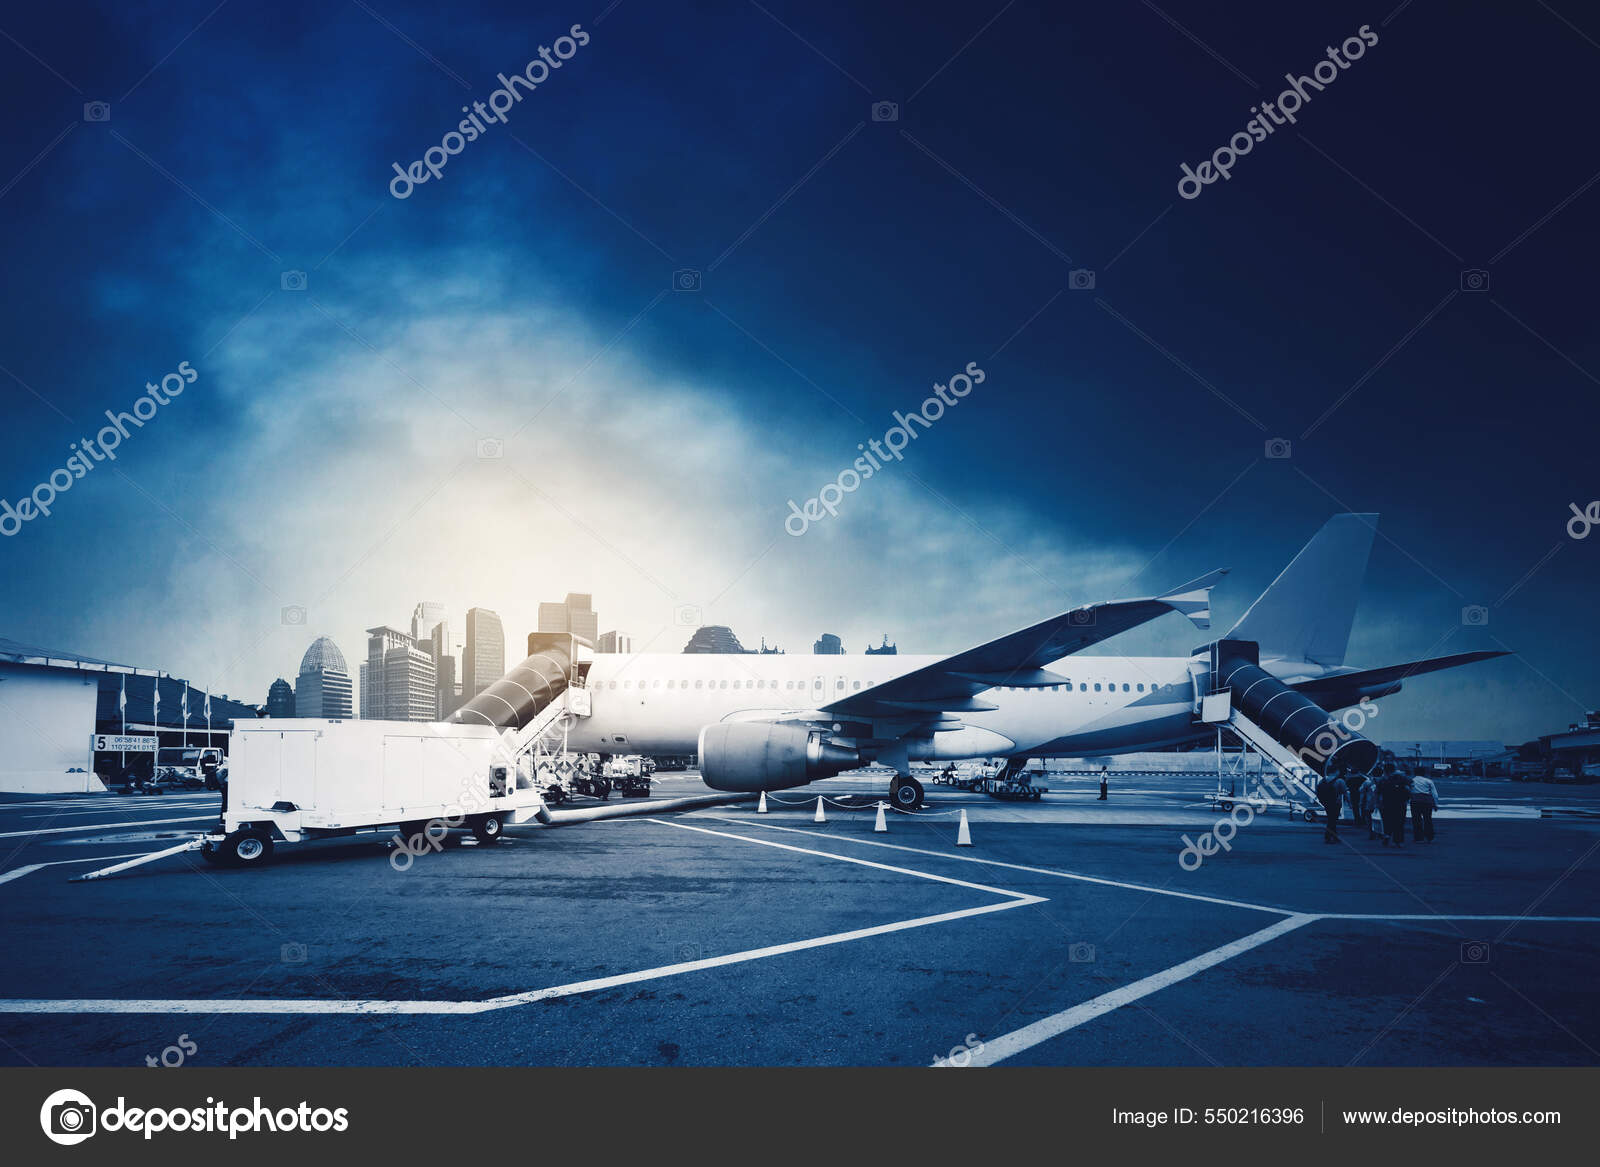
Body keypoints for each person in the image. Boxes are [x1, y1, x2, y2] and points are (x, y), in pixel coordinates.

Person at [1377, 765, 1412, 846]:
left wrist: (1378, 803)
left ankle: (1387, 835)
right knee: (1399, 822)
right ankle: (1398, 840)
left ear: (1385, 770)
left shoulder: (1382, 780)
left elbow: (1378, 792)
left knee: (1387, 821)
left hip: (1386, 803)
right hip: (1400, 803)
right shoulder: (1402, 778)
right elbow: (1410, 785)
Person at [1315, 769, 1348, 843]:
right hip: (1336, 803)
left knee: (1331, 819)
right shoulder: (1340, 781)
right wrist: (1349, 803)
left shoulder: (1322, 780)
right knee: (1332, 820)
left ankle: (1335, 836)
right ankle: (1327, 836)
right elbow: (1345, 792)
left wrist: (1322, 801)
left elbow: (1317, 791)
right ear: (1336, 771)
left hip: (1326, 803)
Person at [1409, 770, 1439, 842]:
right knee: (1428, 819)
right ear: (1424, 773)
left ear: (1415, 773)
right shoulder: (1428, 781)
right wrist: (1435, 804)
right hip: (1427, 801)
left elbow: (1409, 791)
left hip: (1415, 801)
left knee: (1416, 819)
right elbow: (1434, 794)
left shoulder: (1411, 781)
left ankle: (1418, 837)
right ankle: (1429, 837)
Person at [1359, 772, 1380, 838]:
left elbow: (1361, 791)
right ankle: (1380, 832)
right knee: (1380, 818)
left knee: (1369, 818)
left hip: (1370, 802)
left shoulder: (1367, 782)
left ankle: (1371, 833)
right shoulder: (1383, 780)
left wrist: (1361, 802)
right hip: (1380, 802)